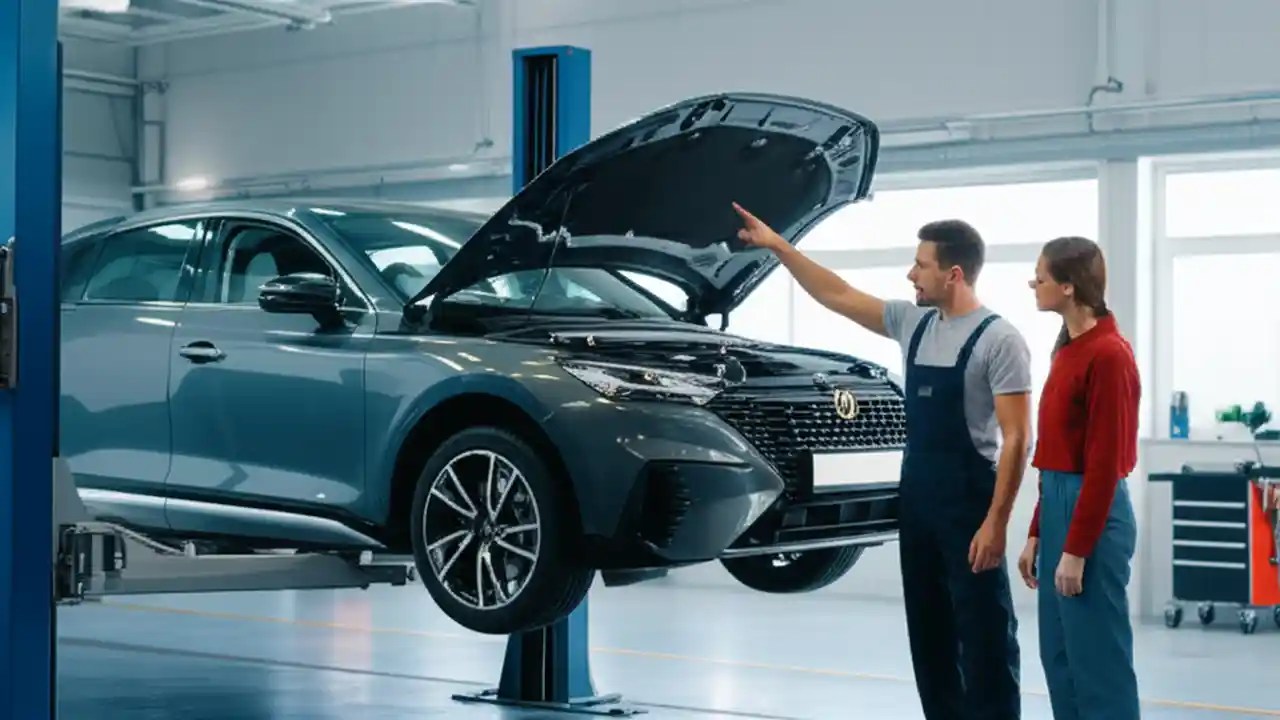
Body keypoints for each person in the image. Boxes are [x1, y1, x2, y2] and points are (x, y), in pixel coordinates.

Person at [732, 203, 1031, 720]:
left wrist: (996, 523)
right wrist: (780, 248)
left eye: (921, 265)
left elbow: (1018, 438)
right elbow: (838, 295)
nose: (911, 275)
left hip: (968, 506)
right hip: (916, 501)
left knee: (984, 634)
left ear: (953, 273)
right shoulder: (912, 323)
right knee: (930, 633)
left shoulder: (999, 340)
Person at [1016, 236, 1142, 720]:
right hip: (1060, 503)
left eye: (1040, 278)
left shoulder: (1109, 355)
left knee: (1099, 665)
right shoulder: (1067, 349)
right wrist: (1036, 532)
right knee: (1061, 657)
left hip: (1093, 510)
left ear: (1068, 287)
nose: (1034, 284)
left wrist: (1075, 549)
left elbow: (1104, 463)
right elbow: (1056, 452)